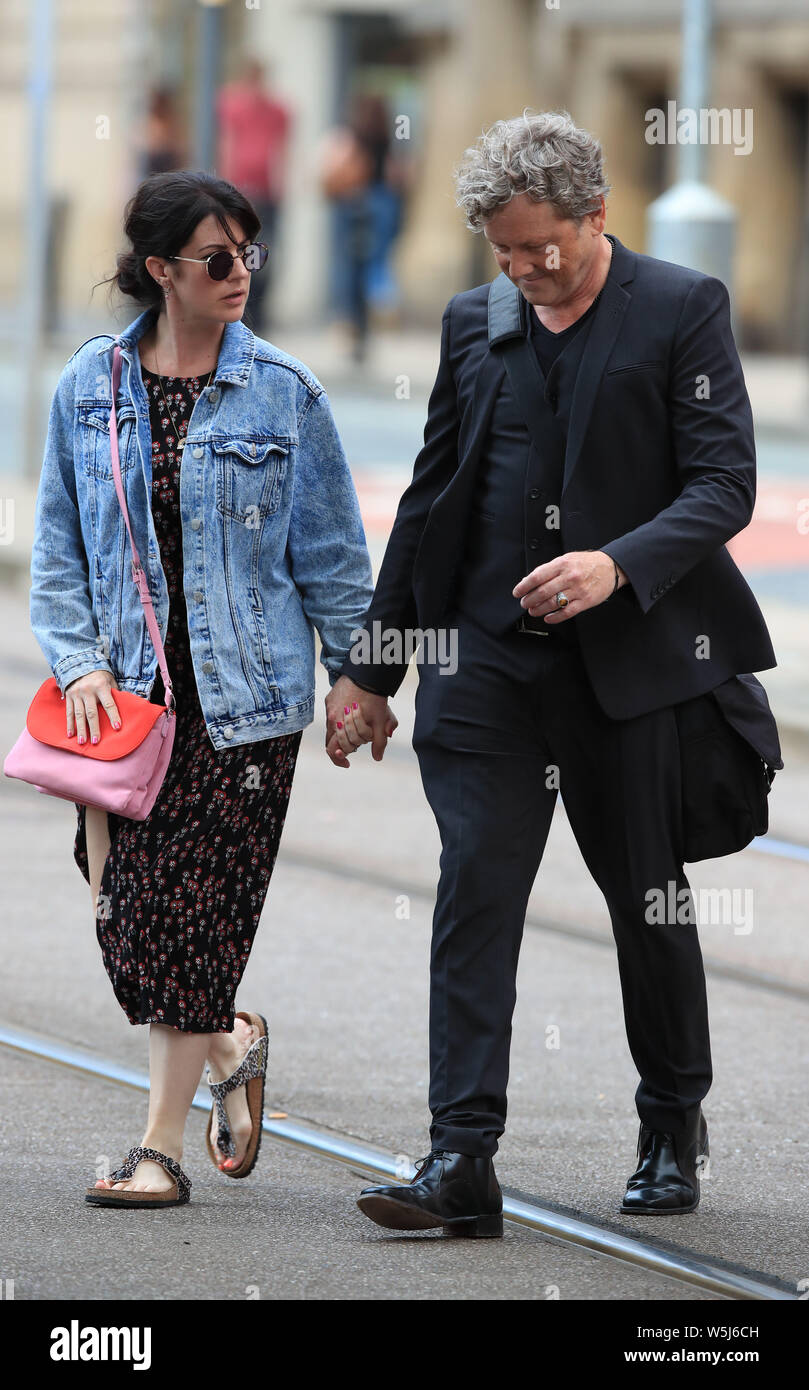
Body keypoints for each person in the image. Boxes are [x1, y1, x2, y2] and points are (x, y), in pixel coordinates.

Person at [326, 109, 781, 1235]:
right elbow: (431, 499)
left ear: (596, 214)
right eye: (504, 252)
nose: (526, 270)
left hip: (625, 672)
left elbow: (723, 485)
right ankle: (460, 1156)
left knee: (645, 900)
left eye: (544, 247)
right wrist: (372, 669)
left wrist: (615, 566)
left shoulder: (680, 307)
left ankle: (669, 1123)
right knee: (474, 897)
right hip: (484, 665)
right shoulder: (473, 322)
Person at [29, 169, 394, 1207]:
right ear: (160, 269)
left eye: (250, 254)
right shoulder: (88, 387)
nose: (241, 274)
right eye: (218, 258)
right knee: (124, 909)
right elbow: (57, 551)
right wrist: (80, 662)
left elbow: (332, 556)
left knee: (191, 916)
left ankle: (158, 1152)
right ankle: (229, 1037)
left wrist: (357, 680)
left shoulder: (284, 390)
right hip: (125, 704)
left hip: (246, 705)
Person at [216, 58, 291, 335]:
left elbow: (282, 150)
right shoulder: (230, 104)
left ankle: (258, 313)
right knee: (238, 252)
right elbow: (226, 143)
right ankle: (241, 313)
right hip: (239, 191)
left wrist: (281, 187)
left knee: (263, 254)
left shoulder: (278, 110)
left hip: (267, 194)